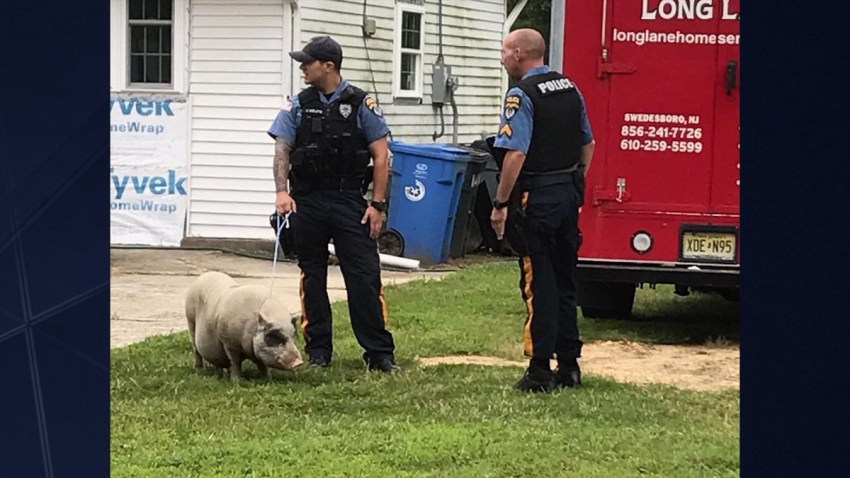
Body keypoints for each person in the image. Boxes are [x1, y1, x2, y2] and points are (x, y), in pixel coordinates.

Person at [267, 35, 399, 372]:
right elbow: (282, 148)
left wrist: (377, 205)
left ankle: (379, 353)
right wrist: (282, 192)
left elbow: (381, 156)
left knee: (364, 276)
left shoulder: (360, 103)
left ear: (328, 66)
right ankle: (318, 351)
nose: (302, 68)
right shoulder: (297, 103)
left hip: (348, 200)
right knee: (312, 275)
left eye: (307, 63)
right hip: (307, 200)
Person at [490, 28, 595, 392]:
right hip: (568, 193)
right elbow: (588, 142)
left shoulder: (521, 94)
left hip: (538, 197)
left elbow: (515, 153)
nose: (502, 58)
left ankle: (539, 370)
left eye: (505, 51)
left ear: (519, 53)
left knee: (539, 281)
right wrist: (577, 181)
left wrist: (501, 202)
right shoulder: (569, 87)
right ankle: (569, 365)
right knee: (566, 280)